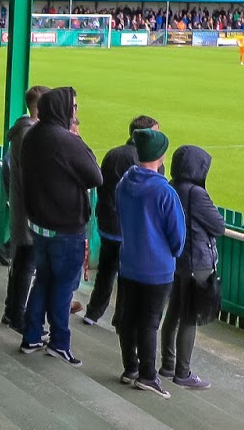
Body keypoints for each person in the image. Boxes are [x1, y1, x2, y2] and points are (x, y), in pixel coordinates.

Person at [18, 87, 102, 367]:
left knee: (43, 279)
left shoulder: (33, 135)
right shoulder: (65, 140)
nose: (75, 112)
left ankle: (31, 336)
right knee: (63, 287)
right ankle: (59, 343)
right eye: (73, 107)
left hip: (40, 225)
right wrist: (78, 139)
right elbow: (95, 176)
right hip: (65, 228)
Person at [114, 129, 185, 397]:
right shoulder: (164, 192)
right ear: (161, 155)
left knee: (128, 318)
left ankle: (130, 368)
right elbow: (177, 236)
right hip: (157, 269)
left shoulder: (124, 183)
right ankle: (147, 375)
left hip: (129, 263)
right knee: (149, 323)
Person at [84, 115, 159, 327]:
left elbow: (101, 185)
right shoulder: (148, 162)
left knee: (106, 271)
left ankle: (93, 313)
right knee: (127, 277)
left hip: (107, 224)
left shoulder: (113, 154)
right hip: (130, 230)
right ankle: (121, 318)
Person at [164, 145, 221, 389]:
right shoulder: (196, 194)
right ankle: (183, 372)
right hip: (196, 261)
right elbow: (218, 225)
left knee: (174, 312)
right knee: (189, 317)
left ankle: (168, 365)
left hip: (177, 259)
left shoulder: (171, 186)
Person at [1, 86, 49, 327]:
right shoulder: (29, 134)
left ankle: (12, 311)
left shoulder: (23, 130)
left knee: (21, 263)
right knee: (26, 265)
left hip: (22, 207)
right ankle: (17, 315)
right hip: (29, 211)